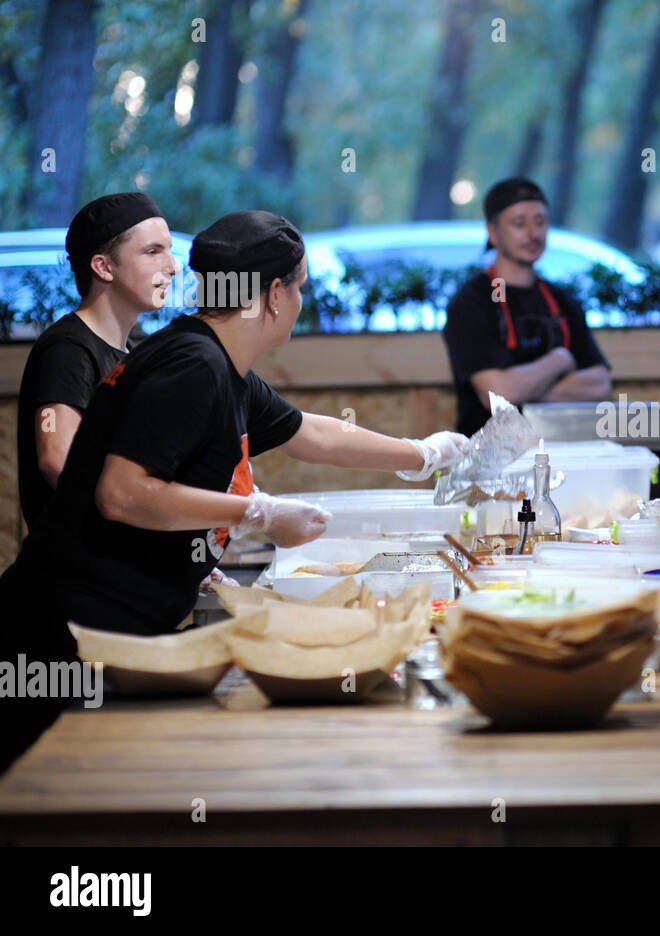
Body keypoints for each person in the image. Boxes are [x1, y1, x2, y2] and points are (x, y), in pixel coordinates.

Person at [0, 210, 468, 768]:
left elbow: (314, 434)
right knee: (38, 803)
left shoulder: (217, 360)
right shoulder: (194, 365)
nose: (300, 302)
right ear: (273, 295)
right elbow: (122, 493)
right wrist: (260, 513)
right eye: (300, 289)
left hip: (106, 626)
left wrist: (425, 454)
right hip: (55, 632)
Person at [17, 192, 178, 529]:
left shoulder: (129, 352)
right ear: (103, 266)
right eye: (153, 252)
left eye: (169, 251)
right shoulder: (67, 349)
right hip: (75, 576)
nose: (172, 267)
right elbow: (55, 457)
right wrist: (143, 526)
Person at [442, 177, 611, 436]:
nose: (533, 234)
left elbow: (600, 386)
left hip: (561, 450)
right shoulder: (470, 302)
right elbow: (497, 396)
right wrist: (559, 360)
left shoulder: (563, 300)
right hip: (489, 461)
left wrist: (521, 391)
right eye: (519, 223)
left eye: (540, 222)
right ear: (492, 232)